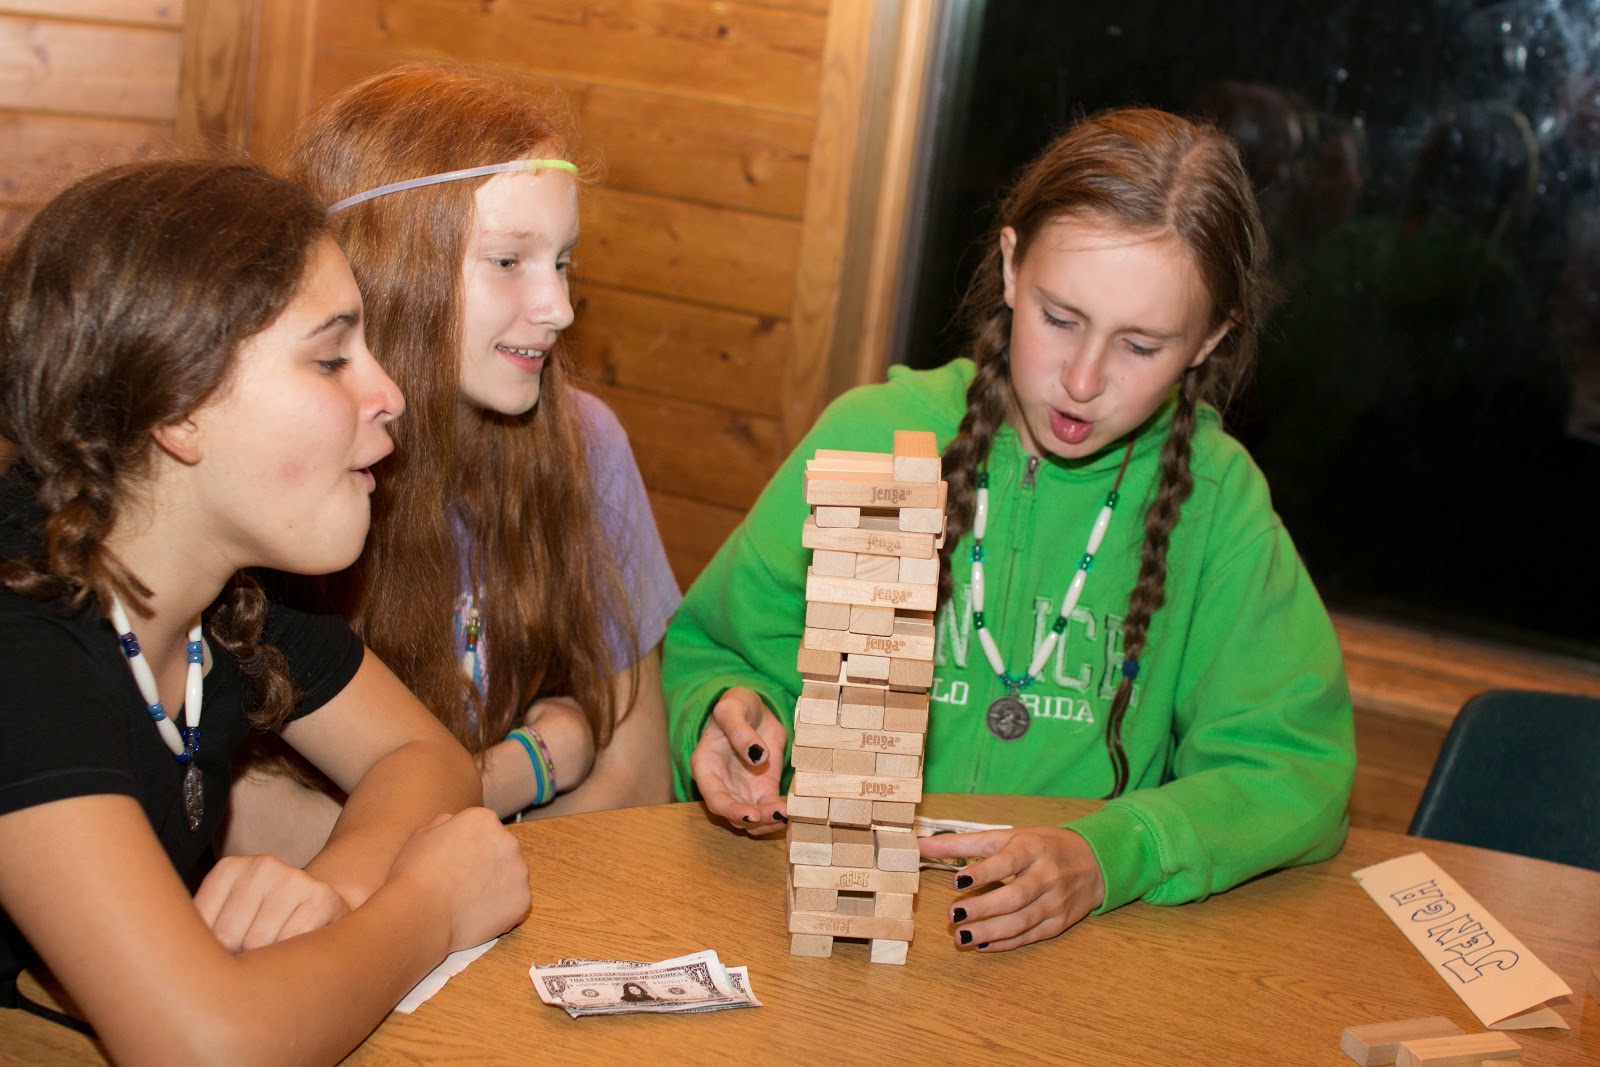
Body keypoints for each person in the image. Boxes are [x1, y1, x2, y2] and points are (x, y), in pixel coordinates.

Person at [663, 108, 1355, 952]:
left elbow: (1293, 768)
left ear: (1209, 340)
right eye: (1061, 319)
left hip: (1074, 953)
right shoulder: (873, 435)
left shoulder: (1219, 501)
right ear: (1011, 267)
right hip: (831, 924)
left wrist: (1113, 853)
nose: (1083, 379)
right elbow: (719, 648)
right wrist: (725, 715)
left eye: (1140, 346)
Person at [0, 160, 530, 1061]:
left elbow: (423, 756)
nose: (389, 393)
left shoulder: (225, 592)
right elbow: (208, 1047)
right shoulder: (23, 645)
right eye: (331, 357)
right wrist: (428, 907)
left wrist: (333, 894)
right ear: (177, 407)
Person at [225, 63, 679, 859]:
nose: (559, 308)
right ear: (393, 268)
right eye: (508, 262)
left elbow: (636, 774)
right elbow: (256, 830)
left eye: (563, 262)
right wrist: (532, 764)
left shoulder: (587, 442)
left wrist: (480, 882)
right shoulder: (284, 476)